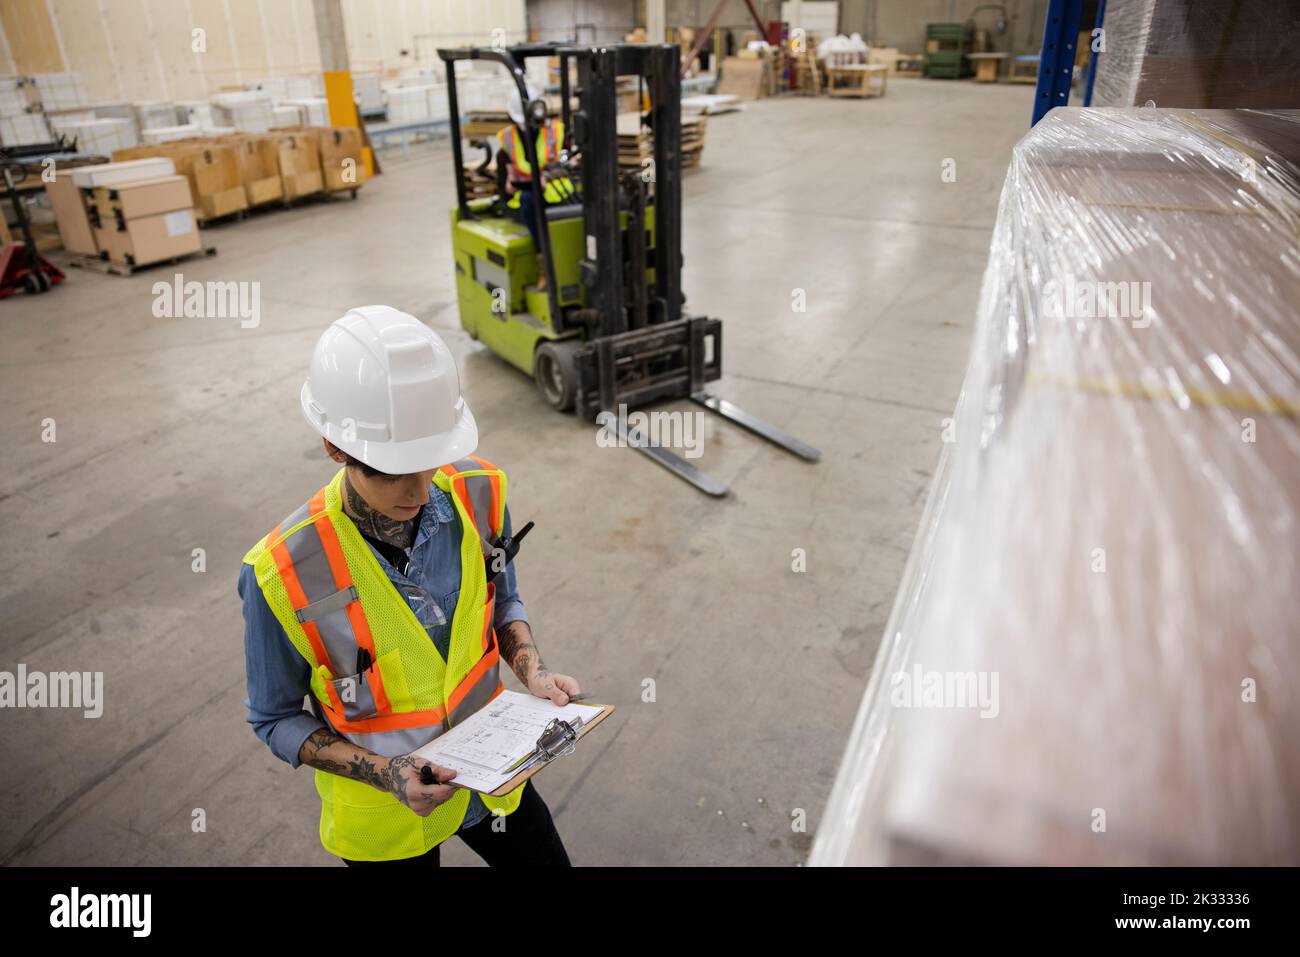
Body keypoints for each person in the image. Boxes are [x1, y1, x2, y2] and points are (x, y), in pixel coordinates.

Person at [239, 305, 581, 866]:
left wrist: (534, 673)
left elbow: (503, 602)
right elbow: (274, 718)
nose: (421, 491)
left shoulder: (477, 493)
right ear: (336, 446)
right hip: (388, 816)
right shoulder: (282, 573)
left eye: (431, 461)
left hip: (493, 773)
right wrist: (390, 775)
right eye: (393, 470)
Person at [497, 84, 575, 290]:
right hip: (526, 200)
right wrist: (509, 185)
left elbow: (571, 163)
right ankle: (546, 267)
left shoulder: (558, 131)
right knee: (530, 203)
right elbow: (505, 185)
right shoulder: (507, 139)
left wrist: (550, 174)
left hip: (558, 192)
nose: (526, 126)